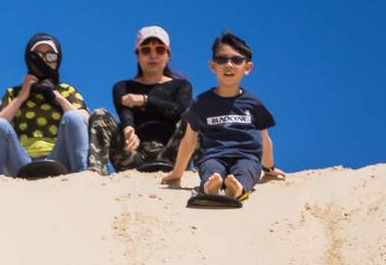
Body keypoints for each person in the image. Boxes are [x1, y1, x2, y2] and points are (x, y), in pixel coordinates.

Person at [163, 31, 286, 198]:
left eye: (236, 60)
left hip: (246, 156)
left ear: (247, 68)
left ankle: (237, 189)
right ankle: (210, 188)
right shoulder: (201, 102)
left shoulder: (254, 103)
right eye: (222, 59)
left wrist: (269, 168)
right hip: (214, 156)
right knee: (210, 170)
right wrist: (177, 173)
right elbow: (188, 140)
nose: (229, 65)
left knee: (246, 170)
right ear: (213, 66)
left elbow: (265, 140)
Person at [87, 25, 193, 173]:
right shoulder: (123, 86)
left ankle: (203, 173)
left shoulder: (181, 85)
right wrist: (129, 129)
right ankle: (95, 172)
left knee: (194, 117)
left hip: (173, 157)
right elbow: (124, 110)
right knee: (100, 114)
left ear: (168, 54)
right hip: (133, 156)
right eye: (146, 50)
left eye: (160, 50)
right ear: (138, 55)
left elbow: (180, 110)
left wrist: (145, 100)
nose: (153, 55)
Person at [0, 33, 94, 176]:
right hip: (21, 162)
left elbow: (84, 119)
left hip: (59, 159)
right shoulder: (14, 92)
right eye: (38, 55)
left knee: (73, 116)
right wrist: (21, 97)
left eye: (50, 56)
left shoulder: (67, 90)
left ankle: (82, 175)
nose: (44, 61)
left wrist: (56, 96)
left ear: (58, 60)